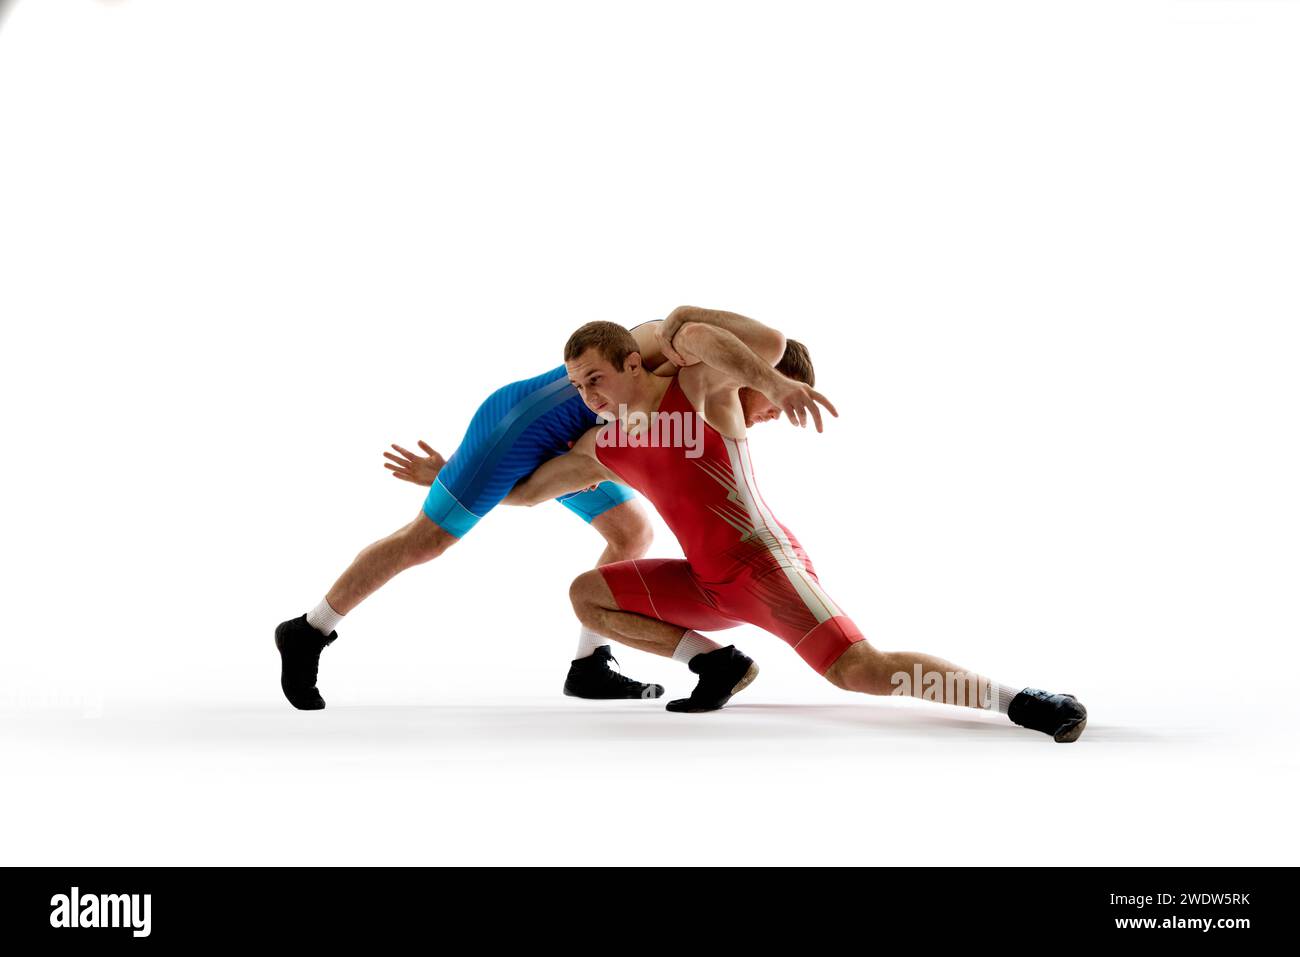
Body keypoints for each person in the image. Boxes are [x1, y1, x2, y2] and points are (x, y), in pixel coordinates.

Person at [505, 320, 1088, 742]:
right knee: (588, 595)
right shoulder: (606, 443)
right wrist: (448, 478)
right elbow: (528, 491)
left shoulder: (702, 391)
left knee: (859, 670)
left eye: (596, 380)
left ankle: (1021, 702)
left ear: (633, 362)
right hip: (707, 587)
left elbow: (760, 344)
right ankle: (717, 663)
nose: (588, 397)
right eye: (579, 387)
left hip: (765, 568)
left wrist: (748, 366)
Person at [273, 306, 829, 710]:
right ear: (754, 374)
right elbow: (738, 334)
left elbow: (588, 459)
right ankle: (309, 629)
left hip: (576, 447)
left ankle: (589, 667)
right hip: (517, 430)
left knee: (630, 534)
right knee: (429, 539)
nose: (771, 415)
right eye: (774, 403)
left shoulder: (686, 395)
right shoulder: (674, 350)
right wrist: (458, 475)